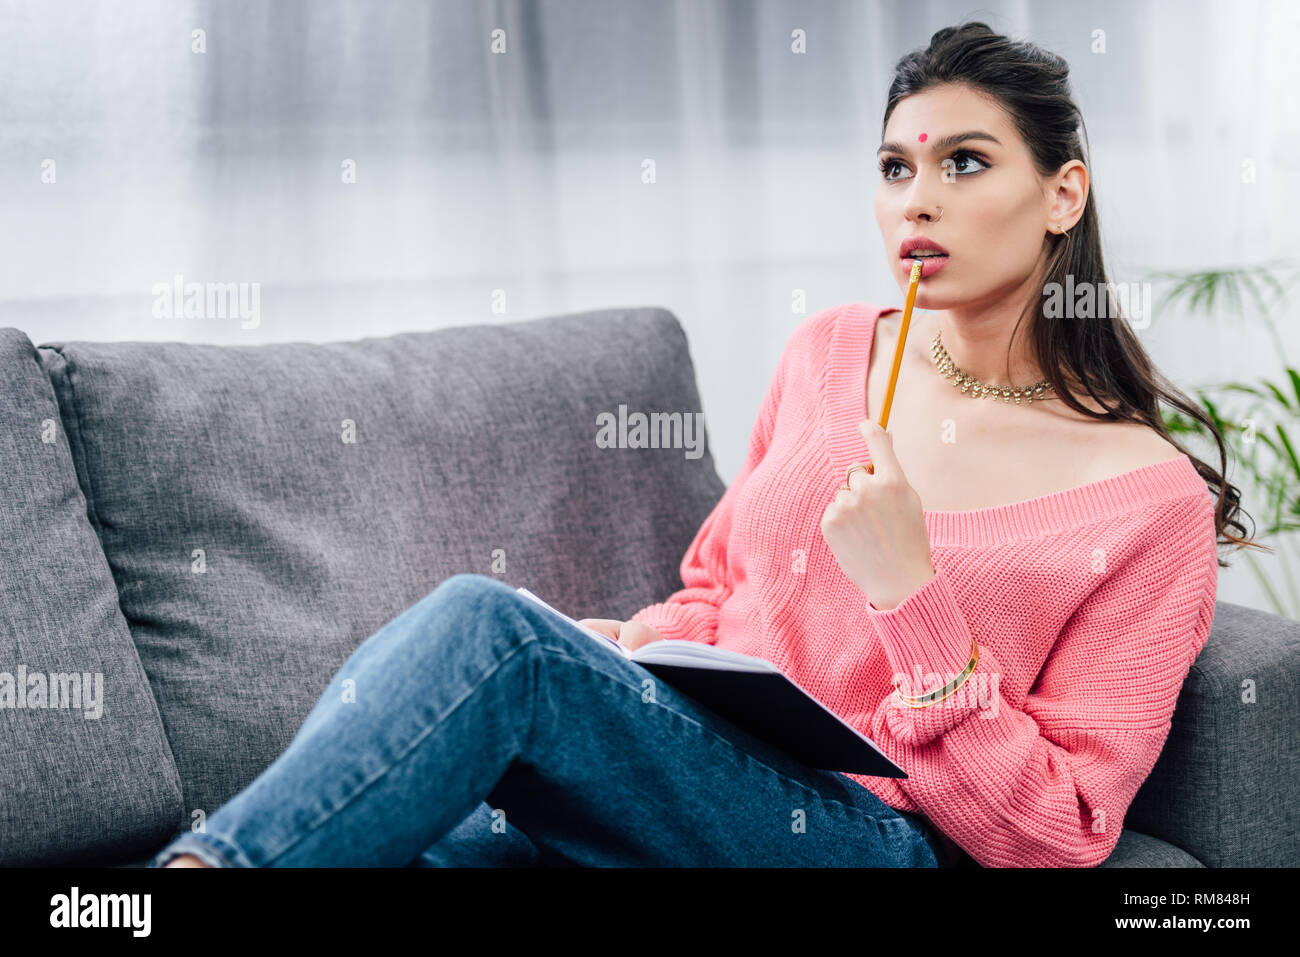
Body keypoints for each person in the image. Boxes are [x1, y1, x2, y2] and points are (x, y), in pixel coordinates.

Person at [153, 21, 1255, 869]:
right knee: (434, 816)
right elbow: (720, 588)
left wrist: (911, 597)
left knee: (492, 631)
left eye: (965, 163)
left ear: (1062, 194)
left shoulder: (1145, 501)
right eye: (893, 169)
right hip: (697, 773)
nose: (917, 201)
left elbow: (1058, 836)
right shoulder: (829, 352)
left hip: (875, 842)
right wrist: (630, 652)